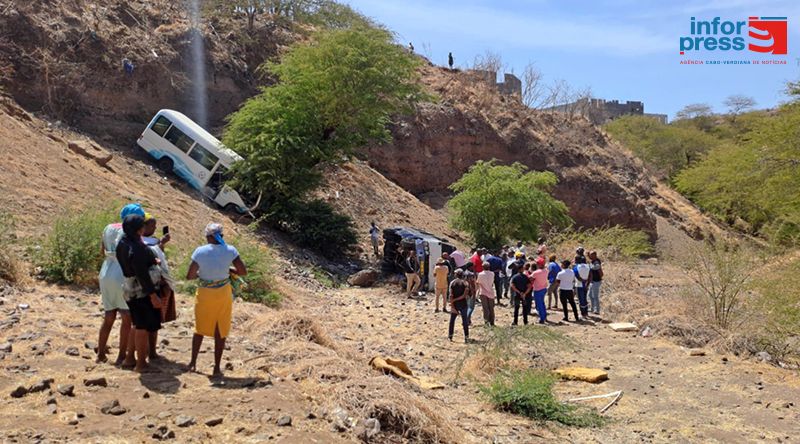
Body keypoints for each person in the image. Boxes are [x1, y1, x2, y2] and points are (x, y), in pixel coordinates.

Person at [186, 223, 247, 378]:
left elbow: (190, 275)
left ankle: (192, 363)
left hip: (205, 293)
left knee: (199, 328)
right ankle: (217, 368)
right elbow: (242, 271)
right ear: (221, 236)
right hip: (223, 293)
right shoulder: (230, 250)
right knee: (220, 330)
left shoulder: (200, 251)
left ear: (208, 237)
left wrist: (203, 273)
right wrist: (228, 270)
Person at [97, 203, 143, 364]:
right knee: (126, 316)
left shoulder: (108, 227)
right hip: (121, 273)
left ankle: (100, 354)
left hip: (106, 271)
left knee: (109, 315)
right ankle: (122, 356)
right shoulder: (129, 231)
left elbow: (102, 251)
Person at [116, 214, 162, 373]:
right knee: (142, 326)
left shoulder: (122, 243)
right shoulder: (138, 247)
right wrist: (153, 296)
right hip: (141, 291)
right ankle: (141, 363)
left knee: (136, 324)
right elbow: (142, 274)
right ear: (138, 229)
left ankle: (129, 359)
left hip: (128, 287)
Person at [142, 213, 174, 360]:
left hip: (151, 281)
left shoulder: (151, 241)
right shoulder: (141, 241)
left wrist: (161, 244)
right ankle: (149, 351)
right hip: (150, 283)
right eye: (152, 225)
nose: (155, 228)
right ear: (144, 226)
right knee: (150, 320)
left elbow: (159, 256)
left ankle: (150, 350)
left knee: (152, 320)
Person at [447, 269, 470, 343]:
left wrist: (453, 304)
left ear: (456, 275)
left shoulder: (452, 283)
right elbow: (464, 295)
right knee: (465, 321)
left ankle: (450, 336)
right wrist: (456, 300)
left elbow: (451, 295)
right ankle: (466, 337)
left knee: (452, 321)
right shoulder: (465, 283)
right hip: (463, 304)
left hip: (455, 305)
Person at [477, 261, 495, 327]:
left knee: (485, 308)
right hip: (491, 292)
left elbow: (478, 282)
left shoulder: (480, 274)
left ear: (482, 267)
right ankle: (492, 322)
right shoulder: (492, 273)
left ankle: (486, 322)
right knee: (491, 308)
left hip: (483, 292)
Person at [531, 258, 549, 324]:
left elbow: (530, 279)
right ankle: (544, 316)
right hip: (544, 288)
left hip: (537, 289)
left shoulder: (536, 273)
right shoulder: (546, 270)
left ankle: (542, 319)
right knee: (542, 303)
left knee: (539, 305)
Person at [587, 250, 604, 315]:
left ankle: (597, 310)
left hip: (596, 281)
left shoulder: (596, 261)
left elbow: (597, 267)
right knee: (590, 295)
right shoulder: (593, 261)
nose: (590, 256)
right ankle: (592, 308)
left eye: (591, 255)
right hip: (593, 281)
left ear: (594, 255)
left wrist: (589, 267)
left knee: (595, 296)